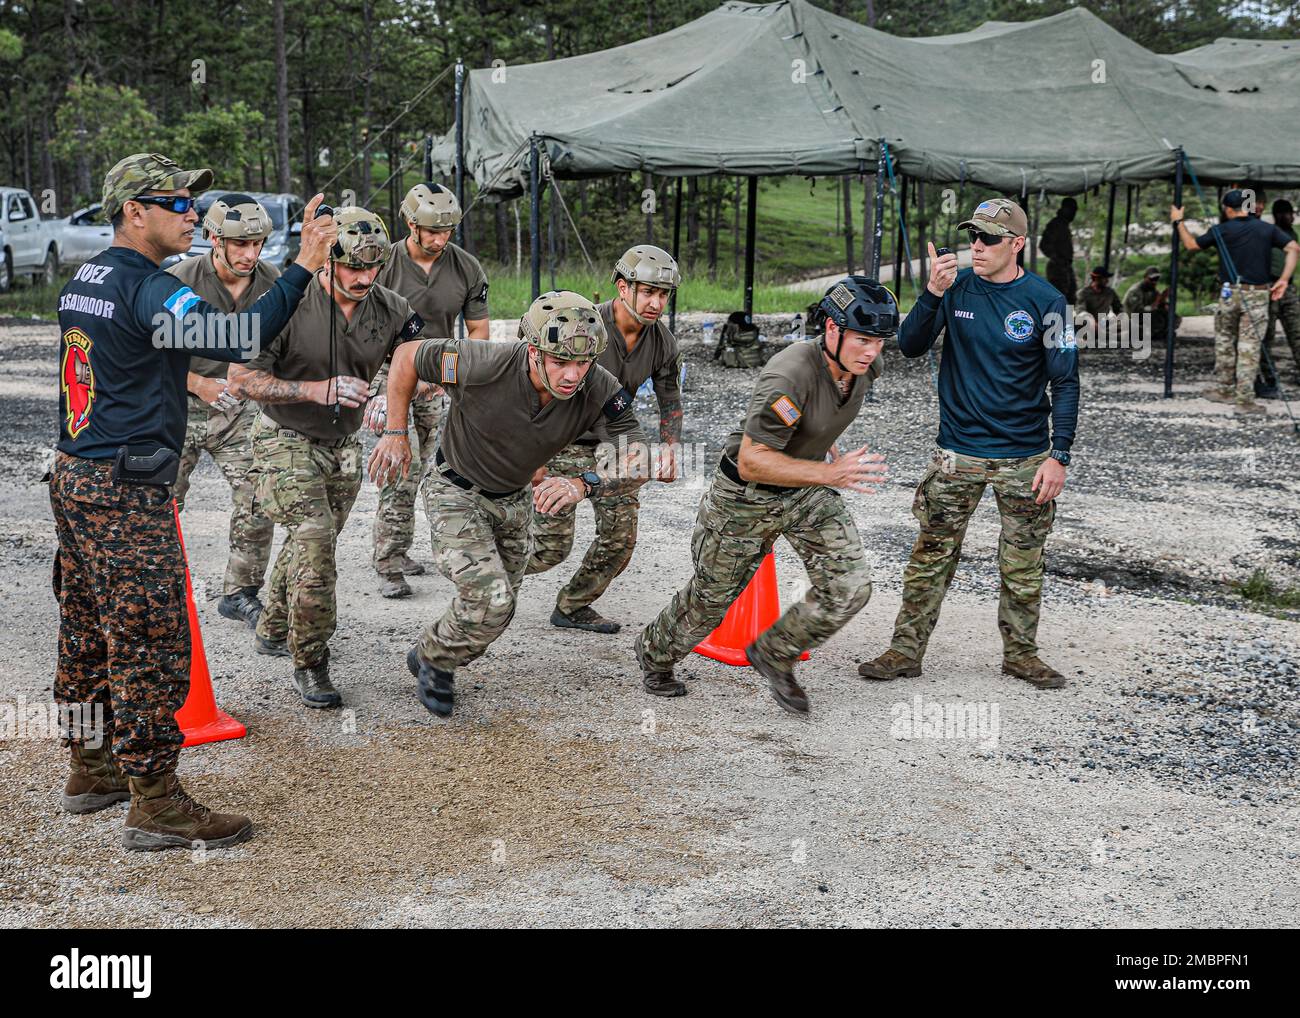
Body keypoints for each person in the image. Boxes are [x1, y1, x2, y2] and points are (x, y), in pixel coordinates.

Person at [51, 151, 335, 850]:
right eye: (173, 203)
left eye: (189, 201)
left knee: (87, 630)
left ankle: (91, 767)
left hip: (75, 475)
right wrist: (302, 265)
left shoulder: (87, 277)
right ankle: (155, 804)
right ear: (133, 212)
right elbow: (238, 336)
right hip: (122, 489)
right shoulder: (148, 287)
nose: (189, 213)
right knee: (149, 642)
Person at [368, 292, 650, 717]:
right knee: (491, 598)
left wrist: (585, 483)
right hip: (456, 491)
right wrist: (395, 430)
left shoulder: (598, 387)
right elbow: (408, 356)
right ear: (534, 351)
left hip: (513, 501)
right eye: (561, 361)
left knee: (499, 613)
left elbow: (640, 456)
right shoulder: (485, 362)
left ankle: (436, 652)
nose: (573, 375)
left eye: (583, 363)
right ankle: (434, 657)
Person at [637, 276, 890, 716]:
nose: (871, 351)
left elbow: (821, 415)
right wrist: (831, 471)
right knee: (711, 600)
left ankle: (774, 652)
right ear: (831, 329)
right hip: (745, 498)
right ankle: (655, 654)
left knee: (851, 587)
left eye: (880, 341)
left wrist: (823, 448)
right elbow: (753, 460)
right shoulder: (788, 374)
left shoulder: (862, 365)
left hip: (805, 491)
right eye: (863, 339)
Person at [858, 198, 1079, 690]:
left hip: (1025, 456)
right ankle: (904, 651)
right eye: (972, 237)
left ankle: (1022, 655)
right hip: (956, 454)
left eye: (989, 239)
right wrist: (933, 294)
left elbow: (1065, 382)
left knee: (1022, 563)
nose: (976, 247)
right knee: (930, 557)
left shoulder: (1047, 302)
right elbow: (911, 345)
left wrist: (1059, 455)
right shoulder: (954, 286)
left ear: (1016, 244)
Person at [227, 207, 424, 709]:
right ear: (326, 262)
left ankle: (273, 623)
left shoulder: (395, 307)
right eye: (353, 267)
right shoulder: (288, 303)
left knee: (311, 540)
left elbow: (420, 366)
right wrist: (314, 389)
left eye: (373, 267)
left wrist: (390, 400)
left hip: (343, 446)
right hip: (282, 437)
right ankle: (310, 659)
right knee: (315, 538)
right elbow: (241, 379)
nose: (364, 278)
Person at [525, 245, 684, 634]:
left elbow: (670, 398)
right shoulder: (585, 326)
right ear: (622, 287)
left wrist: (670, 447)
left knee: (619, 537)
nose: (655, 302)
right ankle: (482, 562)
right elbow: (532, 382)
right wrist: (532, 452)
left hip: (614, 442)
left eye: (663, 294)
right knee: (549, 548)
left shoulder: (663, 342)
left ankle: (572, 606)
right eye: (647, 291)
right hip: (562, 439)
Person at [366, 183, 489, 599]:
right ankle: (388, 561)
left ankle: (414, 553)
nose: (440, 240)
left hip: (439, 372)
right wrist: (381, 387)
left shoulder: (466, 267)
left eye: (448, 231)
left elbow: (478, 331)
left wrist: (449, 374)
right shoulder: (383, 263)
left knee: (436, 469)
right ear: (410, 224)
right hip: (387, 372)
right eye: (431, 231)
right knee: (400, 463)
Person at [166, 194, 278, 628]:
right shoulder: (178, 279)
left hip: (238, 411)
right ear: (214, 239)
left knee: (258, 495)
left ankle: (241, 592)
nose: (250, 255)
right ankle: (159, 589)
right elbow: (140, 354)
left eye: (257, 244)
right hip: (179, 405)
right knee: (160, 502)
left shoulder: (273, 282)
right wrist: (195, 383)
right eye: (240, 245)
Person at [1171, 189, 1299, 413]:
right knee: (1249, 346)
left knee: (1225, 342)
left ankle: (1225, 389)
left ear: (1228, 209)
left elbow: (1191, 245)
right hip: (1257, 294)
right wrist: (1284, 280)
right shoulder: (1267, 229)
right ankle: (1245, 400)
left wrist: (1179, 222)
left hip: (1229, 292)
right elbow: (1293, 248)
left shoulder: (1220, 230)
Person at [1261, 199, 1300, 386]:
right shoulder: (1268, 233)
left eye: (1292, 213)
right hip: (1269, 285)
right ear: (1278, 215)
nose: (1291, 217)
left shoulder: (1292, 234)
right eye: (1287, 213)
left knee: (1296, 331)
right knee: (1267, 335)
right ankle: (1268, 376)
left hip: (1288, 287)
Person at [1123, 266, 1179, 345]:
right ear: (1145, 277)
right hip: (1133, 319)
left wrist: (1163, 302)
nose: (1154, 282)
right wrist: (1157, 302)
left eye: (1156, 279)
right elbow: (1137, 312)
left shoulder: (1153, 290)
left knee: (1173, 316)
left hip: (1144, 320)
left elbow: (1157, 307)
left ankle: (1158, 333)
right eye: (1152, 279)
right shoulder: (1135, 291)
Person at [1040, 196, 1077, 304]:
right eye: (1072, 209)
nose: (1074, 213)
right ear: (1065, 209)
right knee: (1059, 299)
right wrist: (1057, 258)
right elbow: (1044, 245)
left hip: (1065, 266)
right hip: (1058, 268)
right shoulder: (1056, 224)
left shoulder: (1064, 225)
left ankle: (1067, 320)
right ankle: (1056, 320)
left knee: (1070, 298)